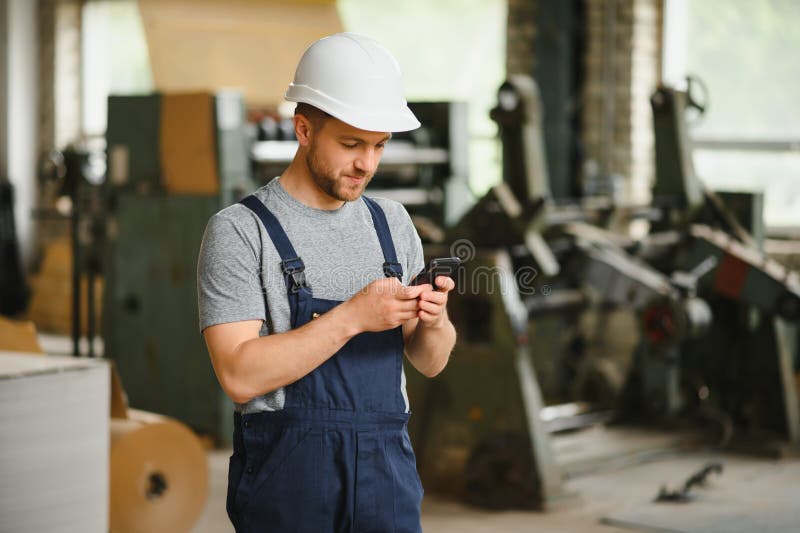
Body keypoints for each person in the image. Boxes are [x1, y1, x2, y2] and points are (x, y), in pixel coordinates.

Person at [198, 32, 456, 532]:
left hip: (387, 474)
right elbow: (238, 375)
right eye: (351, 144)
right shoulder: (240, 231)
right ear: (303, 129)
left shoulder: (393, 223)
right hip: (289, 479)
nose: (368, 164)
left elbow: (430, 361)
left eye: (380, 146)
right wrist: (353, 318)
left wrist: (435, 320)